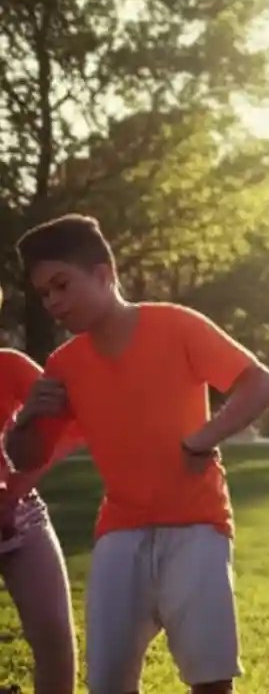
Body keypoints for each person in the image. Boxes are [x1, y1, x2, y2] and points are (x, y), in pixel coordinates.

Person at [5, 213, 269, 694]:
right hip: (120, 530)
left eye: (61, 285)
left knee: (210, 680)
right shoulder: (63, 365)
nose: (53, 302)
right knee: (107, 683)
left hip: (198, 524)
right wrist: (25, 419)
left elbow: (261, 384)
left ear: (103, 274)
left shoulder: (174, 325)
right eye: (44, 294)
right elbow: (27, 457)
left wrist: (203, 437)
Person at [0, 286, 78, 694]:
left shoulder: (9, 366)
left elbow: (72, 426)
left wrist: (13, 493)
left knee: (56, 648)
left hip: (21, 520)